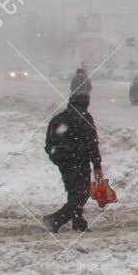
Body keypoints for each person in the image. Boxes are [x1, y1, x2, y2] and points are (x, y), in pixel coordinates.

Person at [44, 73, 103, 233]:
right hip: (79, 160)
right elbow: (93, 143)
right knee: (81, 194)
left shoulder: (60, 118)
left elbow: (49, 143)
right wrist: (97, 165)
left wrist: (58, 157)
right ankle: (55, 220)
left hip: (66, 161)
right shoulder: (84, 118)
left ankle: (78, 221)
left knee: (74, 191)